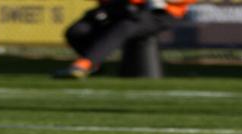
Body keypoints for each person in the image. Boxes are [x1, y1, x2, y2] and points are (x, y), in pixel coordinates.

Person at [55, 0, 194, 80]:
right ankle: (95, 67)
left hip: (158, 13)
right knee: (77, 31)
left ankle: (84, 65)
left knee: (125, 26)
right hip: (120, 7)